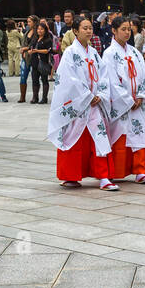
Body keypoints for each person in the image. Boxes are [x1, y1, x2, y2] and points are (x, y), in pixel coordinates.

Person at [48, 15, 117, 190]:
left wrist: (100, 94)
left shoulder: (94, 53)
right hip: (78, 105)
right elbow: (68, 80)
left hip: (94, 104)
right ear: (75, 31)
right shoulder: (70, 53)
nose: (88, 31)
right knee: (74, 139)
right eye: (84, 28)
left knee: (99, 138)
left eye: (90, 28)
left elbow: (103, 75)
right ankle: (70, 176)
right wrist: (87, 96)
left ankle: (104, 177)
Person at [102, 14, 145, 184]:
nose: (127, 33)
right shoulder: (109, 54)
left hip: (136, 102)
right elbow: (110, 80)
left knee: (138, 134)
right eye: (123, 29)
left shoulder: (134, 52)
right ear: (114, 30)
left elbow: (143, 77)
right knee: (120, 135)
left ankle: (141, 171)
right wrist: (127, 100)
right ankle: (116, 170)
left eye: (128, 29)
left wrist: (140, 95)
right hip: (121, 104)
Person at [29, 20, 53, 104]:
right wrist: (30, 51)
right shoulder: (35, 38)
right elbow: (30, 47)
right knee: (34, 80)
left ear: (45, 30)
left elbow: (47, 51)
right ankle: (35, 97)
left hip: (43, 62)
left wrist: (37, 51)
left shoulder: (48, 39)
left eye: (42, 29)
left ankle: (44, 98)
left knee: (44, 80)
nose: (39, 30)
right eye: (38, 29)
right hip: (34, 62)